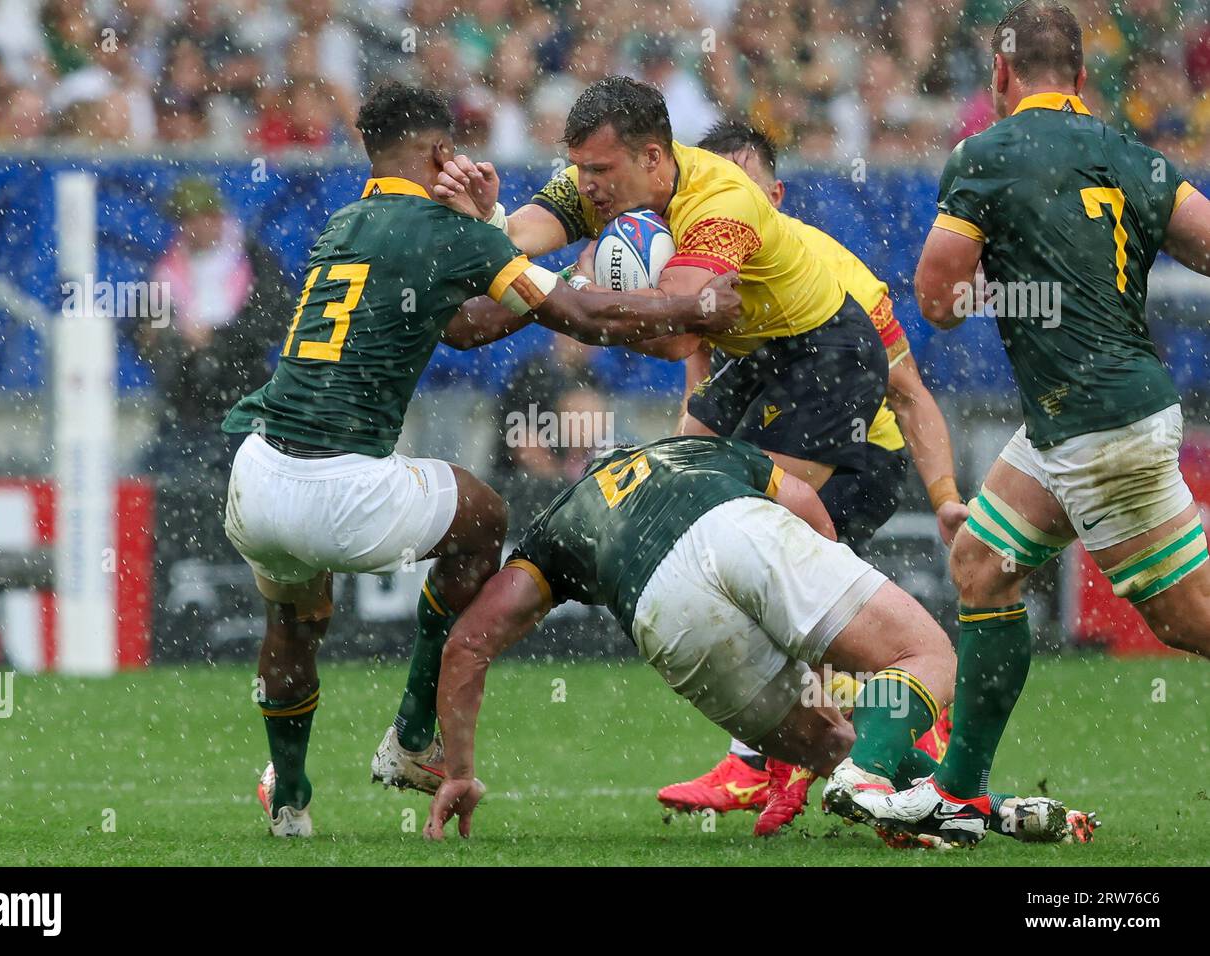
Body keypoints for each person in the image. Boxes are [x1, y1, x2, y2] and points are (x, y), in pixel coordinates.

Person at [219, 82, 740, 837]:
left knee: (296, 623)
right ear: (439, 156)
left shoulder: (345, 222)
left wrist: (495, 233)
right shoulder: (443, 227)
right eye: (453, 155)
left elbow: (461, 328)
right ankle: (413, 734)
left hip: (260, 471)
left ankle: (290, 799)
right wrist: (690, 309)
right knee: (483, 516)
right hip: (343, 490)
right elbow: (578, 315)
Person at [865, 0, 1210, 846]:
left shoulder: (982, 154)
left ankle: (955, 790)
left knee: (1185, 619)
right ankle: (961, 794)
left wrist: (1007, 281)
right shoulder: (1132, 156)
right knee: (980, 562)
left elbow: (938, 302)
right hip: (1090, 416)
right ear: (1084, 78)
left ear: (1002, 74)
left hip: (1097, 428)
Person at [421, 436, 1090, 847]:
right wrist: (828, 612)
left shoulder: (557, 526)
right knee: (924, 656)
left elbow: (468, 644)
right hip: (735, 527)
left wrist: (457, 774)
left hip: (661, 608)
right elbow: (796, 495)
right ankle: (887, 778)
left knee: (828, 744)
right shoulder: (684, 452)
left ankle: (987, 810)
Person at [656, 120, 966, 833]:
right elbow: (700, 387)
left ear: (775, 193)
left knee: (785, 585)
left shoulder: (831, 272)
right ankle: (864, 741)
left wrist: (946, 499)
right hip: (776, 448)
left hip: (862, 455)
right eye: (714, 186)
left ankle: (768, 761)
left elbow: (910, 392)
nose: (726, 201)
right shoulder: (701, 265)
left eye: (743, 184)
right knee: (764, 581)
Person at [434, 76, 889, 504]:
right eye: (579, 168)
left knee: (753, 515)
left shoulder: (719, 203)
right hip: (752, 352)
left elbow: (674, 335)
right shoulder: (605, 182)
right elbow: (518, 239)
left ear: (651, 157)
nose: (586, 182)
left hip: (825, 353)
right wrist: (488, 220)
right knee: (679, 496)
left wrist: (578, 291)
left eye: (598, 168)